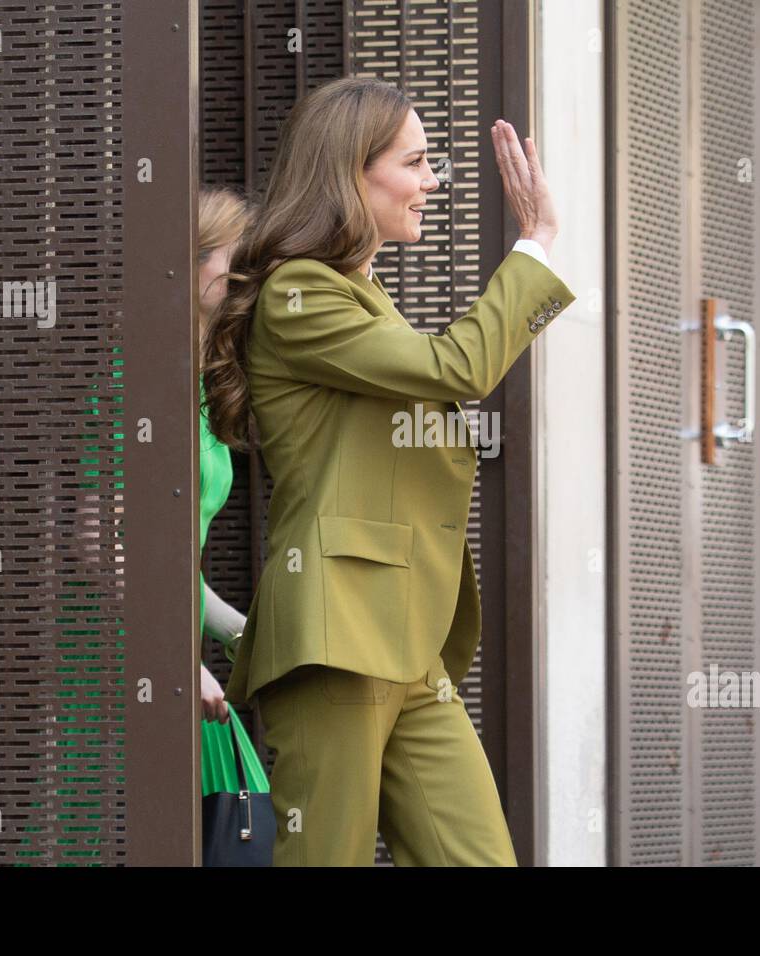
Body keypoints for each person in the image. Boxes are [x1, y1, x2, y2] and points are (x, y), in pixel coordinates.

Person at [202, 76, 575, 865]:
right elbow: (460, 366)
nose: (433, 182)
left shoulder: (358, 296)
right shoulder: (300, 294)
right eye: (415, 162)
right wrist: (534, 244)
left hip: (409, 645)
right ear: (350, 174)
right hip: (339, 637)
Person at [196, 186, 269, 816]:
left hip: (161, 643)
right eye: (231, 263)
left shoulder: (197, 383)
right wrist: (167, 661)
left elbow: (176, 569)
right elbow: (100, 543)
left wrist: (241, 632)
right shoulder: (129, 374)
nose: (243, 281)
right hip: (109, 649)